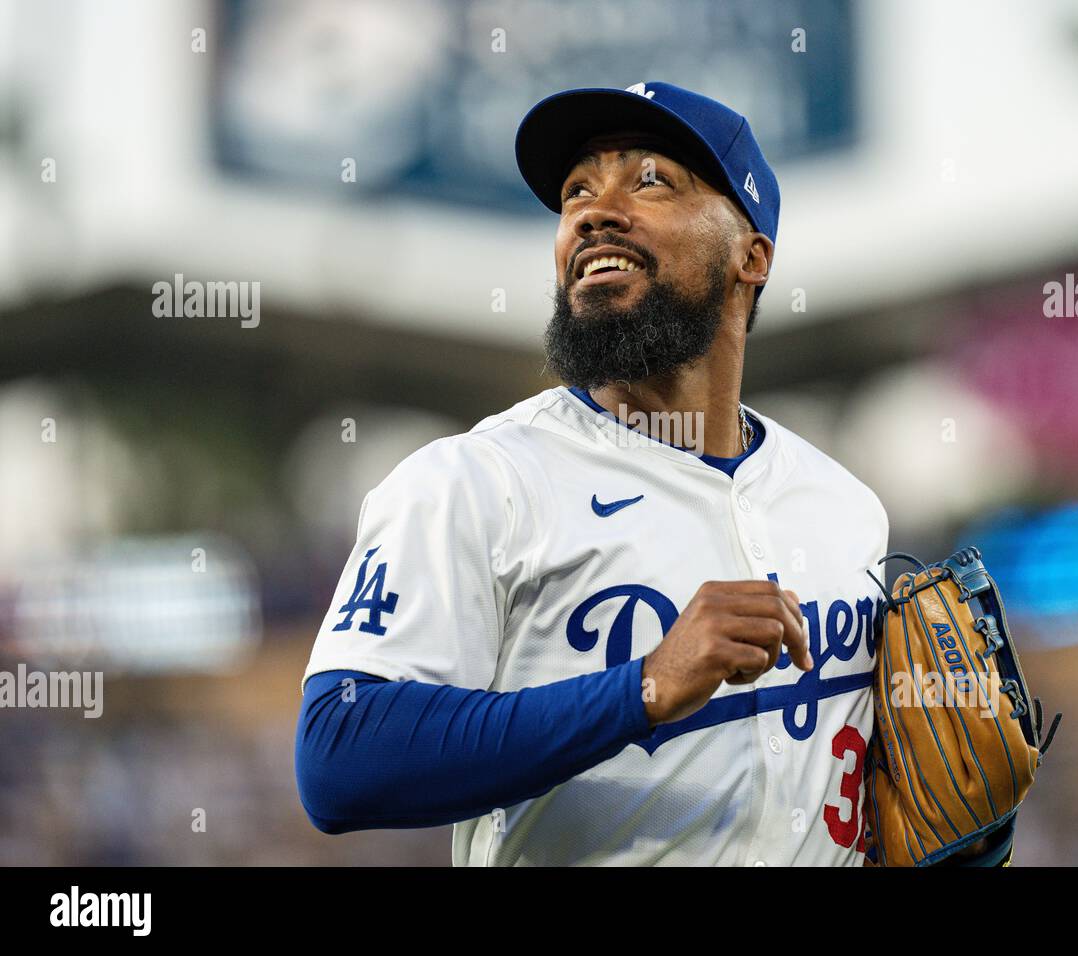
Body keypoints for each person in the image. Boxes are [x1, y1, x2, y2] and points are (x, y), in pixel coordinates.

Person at [295, 82, 892, 866]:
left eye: (649, 180)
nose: (593, 211)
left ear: (753, 256)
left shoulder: (845, 508)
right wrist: (640, 686)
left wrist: (979, 837)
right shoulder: (478, 482)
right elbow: (340, 760)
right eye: (577, 190)